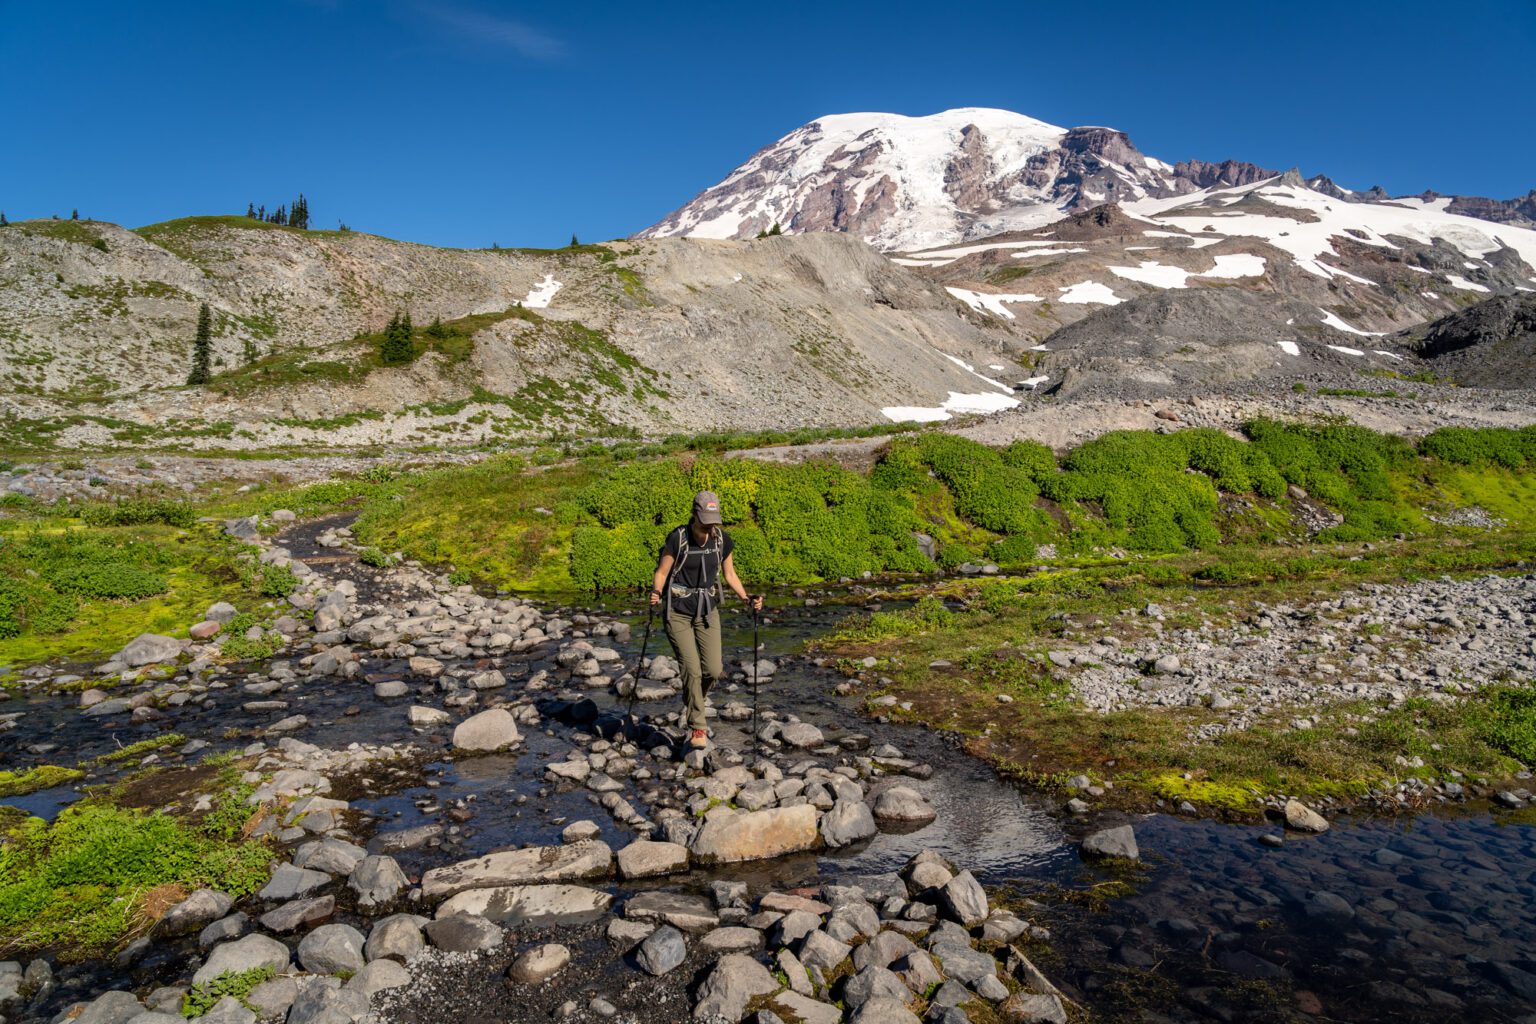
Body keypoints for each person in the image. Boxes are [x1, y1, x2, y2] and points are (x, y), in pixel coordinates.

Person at [651, 490, 762, 749]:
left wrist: (747, 598)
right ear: (695, 514)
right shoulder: (677, 538)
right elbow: (662, 572)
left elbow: (730, 575)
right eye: (706, 519)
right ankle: (698, 727)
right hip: (677, 611)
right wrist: (656, 593)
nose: (711, 524)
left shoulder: (722, 540)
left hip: (708, 609)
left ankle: (692, 700)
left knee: (712, 669)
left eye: (714, 519)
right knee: (691, 669)